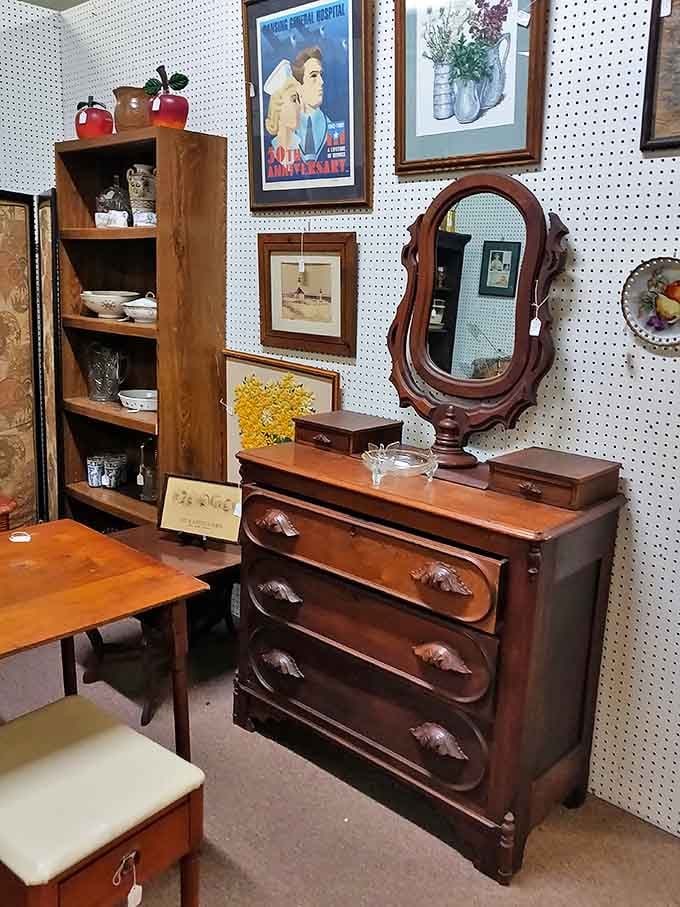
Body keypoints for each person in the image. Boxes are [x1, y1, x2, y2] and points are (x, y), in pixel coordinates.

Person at [292, 47, 329, 162]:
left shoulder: (334, 131)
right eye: (313, 76)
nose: (321, 82)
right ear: (298, 86)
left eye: (321, 75)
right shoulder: (285, 132)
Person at [264, 61, 303, 169]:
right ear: (278, 107)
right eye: (295, 100)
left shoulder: (305, 148)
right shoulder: (267, 150)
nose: (300, 107)